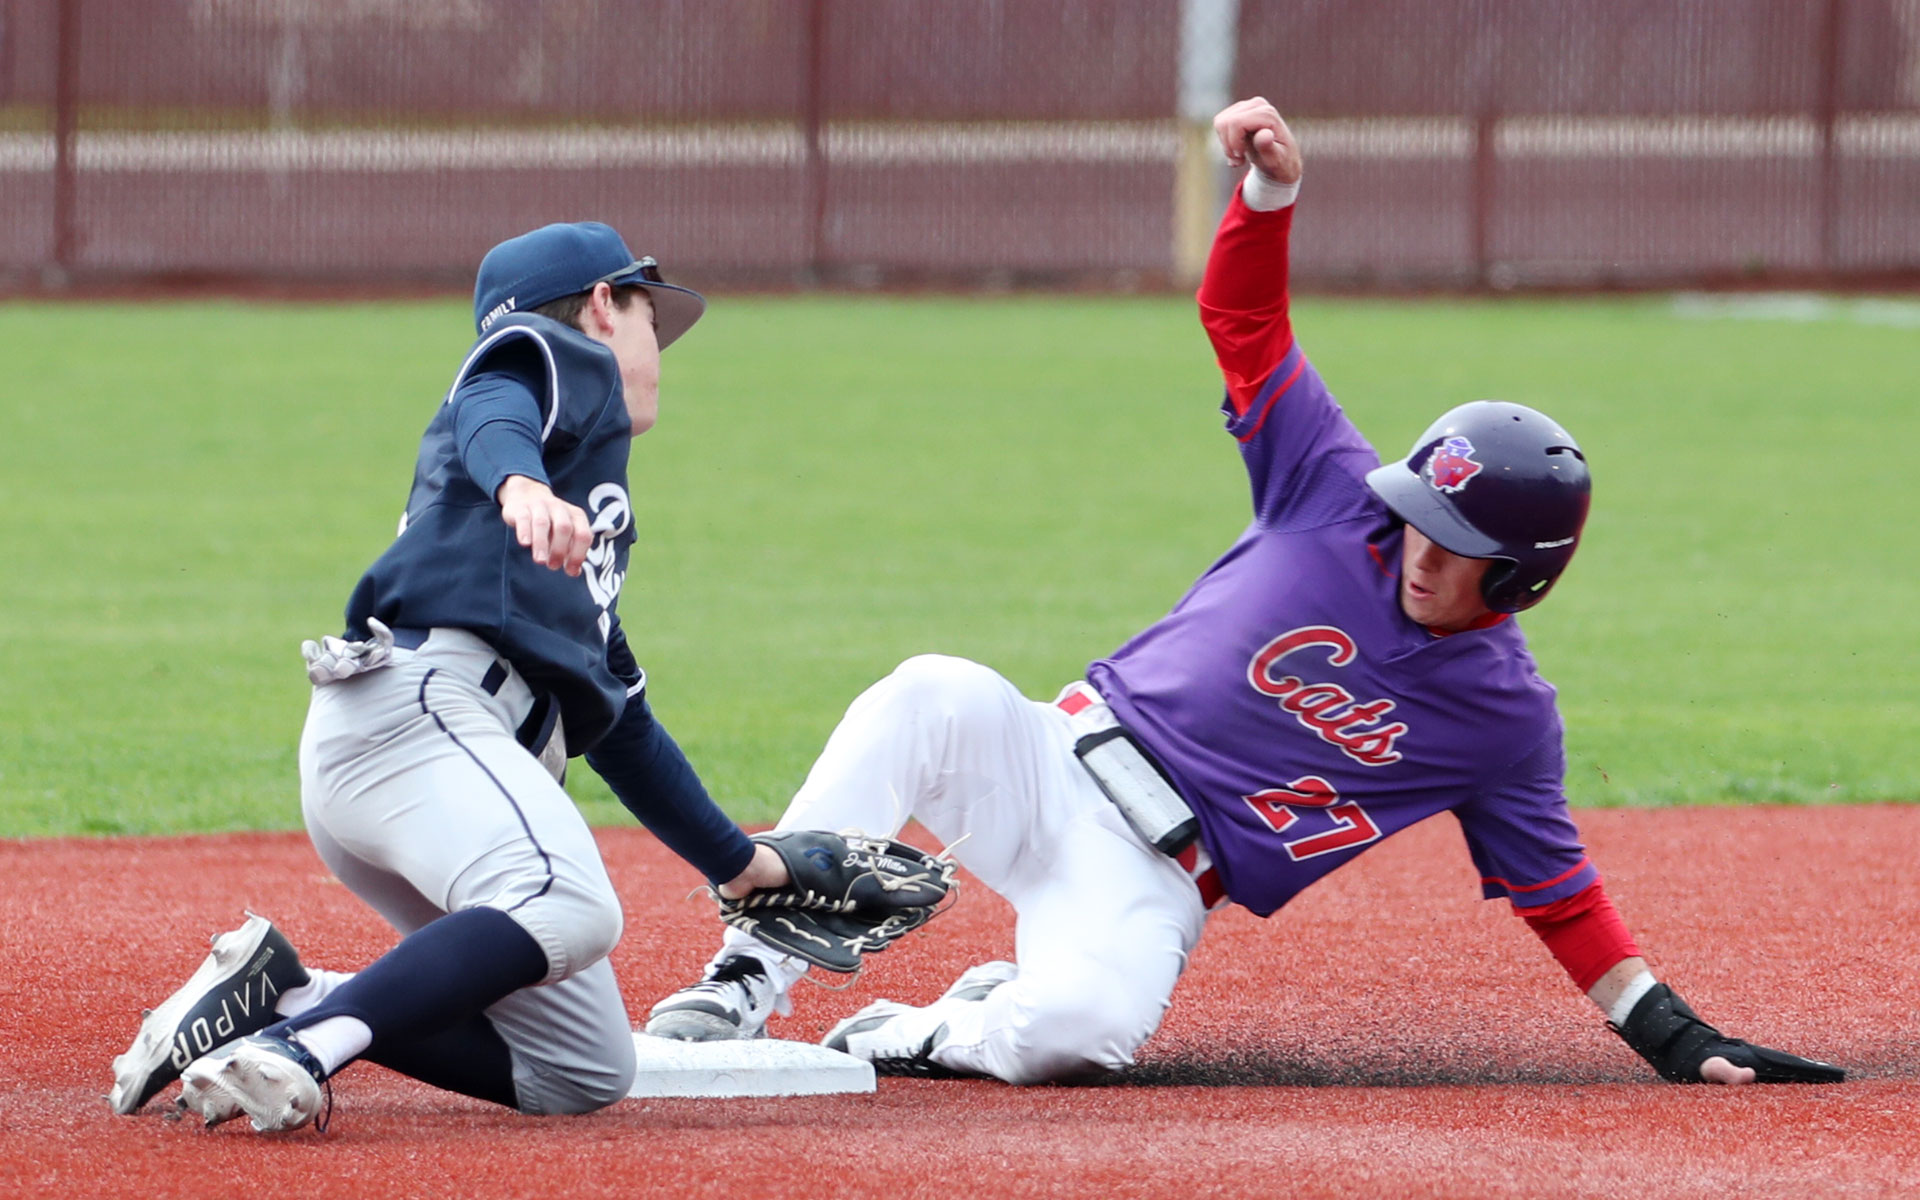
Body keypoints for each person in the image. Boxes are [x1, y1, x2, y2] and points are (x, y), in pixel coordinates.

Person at [643, 100, 1844, 1088]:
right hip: (1048, 759)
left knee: (1077, 1037)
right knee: (927, 691)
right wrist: (1268, 198)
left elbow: (1561, 896)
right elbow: (1244, 320)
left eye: (1457, 542)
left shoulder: (1504, 720)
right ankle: (749, 973)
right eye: (1420, 515)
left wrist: (1675, 1038)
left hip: (1154, 878)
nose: (1420, 548)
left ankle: (923, 1029)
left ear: (1523, 578)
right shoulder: (1332, 487)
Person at [108, 221, 788, 1131]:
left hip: (419, 757)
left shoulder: (568, 538)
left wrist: (745, 868)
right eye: (647, 319)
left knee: (582, 1069)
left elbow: (624, 729)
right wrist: (520, 485)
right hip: (424, 718)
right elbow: (494, 402)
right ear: (600, 305)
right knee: (572, 903)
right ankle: (301, 1050)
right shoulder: (554, 363)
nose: (657, 349)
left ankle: (283, 995)